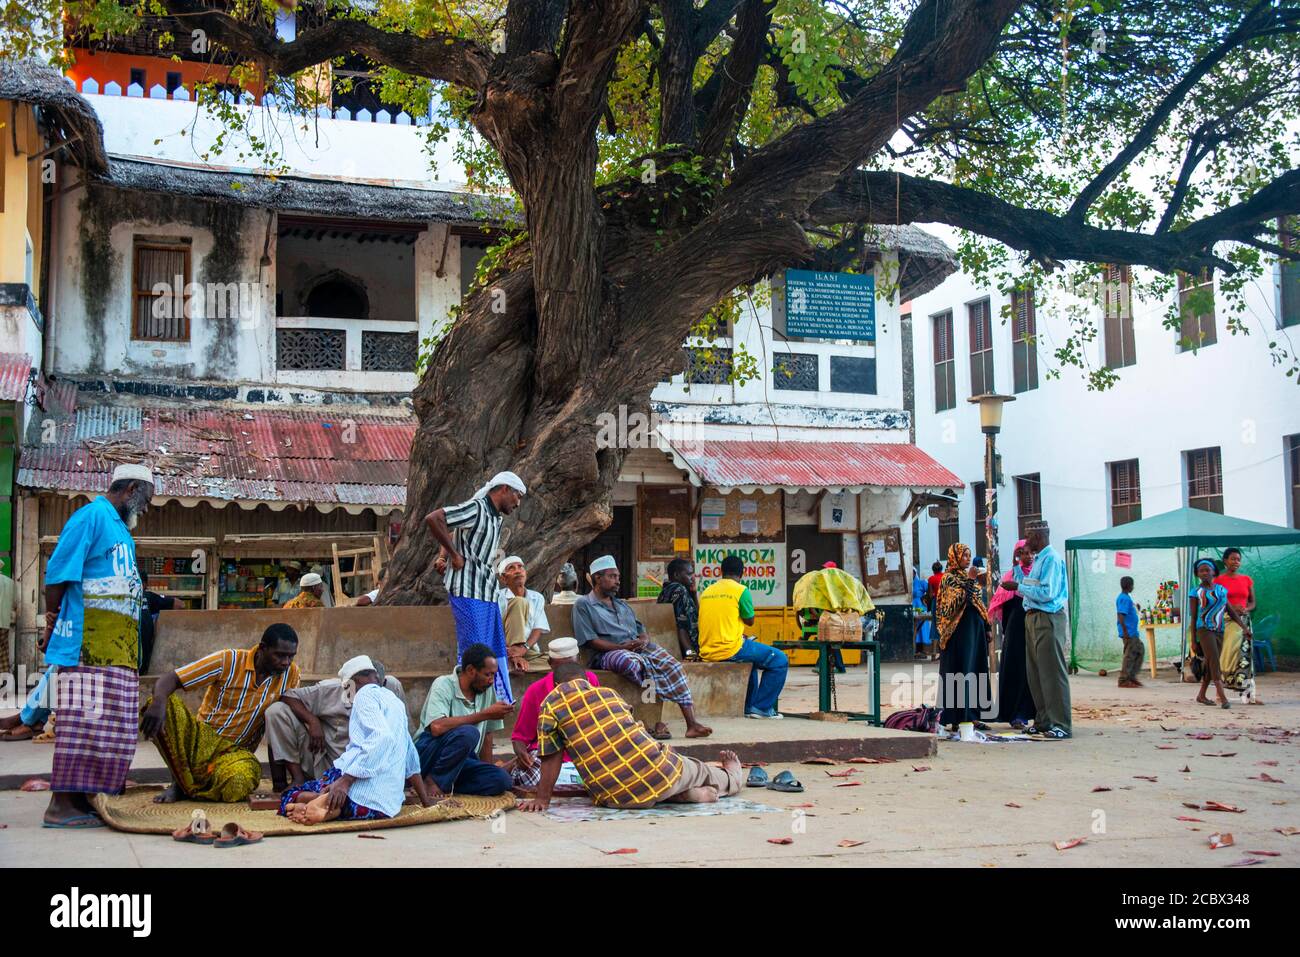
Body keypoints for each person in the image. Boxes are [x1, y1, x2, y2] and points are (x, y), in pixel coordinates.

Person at [36, 463, 150, 828]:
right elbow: (58, 574)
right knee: (83, 725)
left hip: (117, 651)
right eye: (146, 499)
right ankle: (60, 807)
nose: (147, 508)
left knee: (111, 729)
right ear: (131, 489)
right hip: (89, 647)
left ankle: (87, 797)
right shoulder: (91, 516)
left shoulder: (120, 529)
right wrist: (51, 621)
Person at [519, 662, 743, 812]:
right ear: (585, 680)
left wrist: (542, 800)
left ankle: (682, 795)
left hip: (615, 798)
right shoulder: (608, 694)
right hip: (659, 772)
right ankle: (732, 778)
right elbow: (631, 729)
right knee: (698, 769)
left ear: (557, 685)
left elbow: (551, 757)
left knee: (642, 782)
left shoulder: (549, 704)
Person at [140, 623, 301, 803]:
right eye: (279, 655)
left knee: (238, 783)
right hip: (199, 742)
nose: (286, 662)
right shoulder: (227, 660)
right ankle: (179, 782)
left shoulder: (291, 674)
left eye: (290, 657)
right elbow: (172, 679)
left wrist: (279, 783)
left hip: (234, 755)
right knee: (162, 704)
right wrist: (159, 702)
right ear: (262, 648)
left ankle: (190, 788)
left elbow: (279, 722)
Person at [573, 555, 711, 740]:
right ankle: (651, 715)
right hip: (608, 653)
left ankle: (692, 724)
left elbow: (640, 629)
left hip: (640, 648)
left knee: (673, 665)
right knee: (632, 663)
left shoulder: (621, 604)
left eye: (618, 577)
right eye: (612, 576)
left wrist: (644, 640)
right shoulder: (583, 604)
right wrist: (622, 646)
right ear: (598, 578)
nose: (617, 581)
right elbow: (590, 640)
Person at [279, 656, 431, 824]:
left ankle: (322, 799)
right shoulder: (395, 702)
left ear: (354, 681)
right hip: (384, 808)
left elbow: (381, 737)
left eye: (346, 688)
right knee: (336, 788)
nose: (346, 694)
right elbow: (410, 757)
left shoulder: (364, 694)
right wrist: (426, 802)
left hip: (357, 797)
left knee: (289, 796)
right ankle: (329, 805)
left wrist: (345, 781)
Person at [425, 470, 527, 703]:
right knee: (474, 651)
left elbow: (452, 528)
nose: (518, 503)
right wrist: (452, 555)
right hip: (468, 591)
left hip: (487, 592)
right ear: (504, 490)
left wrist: (443, 556)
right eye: (517, 496)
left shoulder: (496, 518)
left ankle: (494, 703)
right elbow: (435, 518)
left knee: (493, 650)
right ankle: (467, 703)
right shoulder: (477, 508)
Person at [265, 660, 406, 789]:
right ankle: (298, 779)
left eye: (374, 686)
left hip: (375, 770)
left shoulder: (391, 690)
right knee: (276, 711)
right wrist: (312, 721)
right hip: (328, 765)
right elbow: (288, 696)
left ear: (381, 683)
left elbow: (403, 737)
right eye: (360, 685)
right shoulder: (333, 689)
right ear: (351, 683)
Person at [412, 642, 514, 797]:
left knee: (502, 780)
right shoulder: (443, 684)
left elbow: (487, 734)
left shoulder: (487, 689)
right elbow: (437, 727)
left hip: (459, 761)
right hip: (428, 755)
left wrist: (484, 768)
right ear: (471, 670)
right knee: (468, 733)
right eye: (487, 674)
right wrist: (484, 714)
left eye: (494, 675)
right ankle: (431, 782)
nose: (491, 680)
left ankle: (446, 782)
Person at [1000, 523, 1071, 739]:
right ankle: (1043, 720)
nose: (1026, 540)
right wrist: (1019, 571)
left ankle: (1061, 724)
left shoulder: (1051, 559)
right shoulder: (1039, 558)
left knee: (1052, 673)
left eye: (1029, 536)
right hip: (1032, 617)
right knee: (1036, 674)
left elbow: (1047, 592)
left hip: (1047, 617)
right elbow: (1030, 583)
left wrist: (1018, 588)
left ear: (1040, 536)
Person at [698, 554, 788, 719]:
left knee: (752, 659)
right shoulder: (741, 590)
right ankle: (762, 708)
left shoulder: (707, 591)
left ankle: (749, 708)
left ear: (720, 571)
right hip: (730, 649)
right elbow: (750, 620)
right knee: (780, 660)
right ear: (742, 573)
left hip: (706, 650)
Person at [508, 637, 599, 789]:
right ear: (550, 664)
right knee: (530, 780)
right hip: (548, 753)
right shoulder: (536, 690)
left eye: (571, 666)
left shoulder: (590, 681)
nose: (567, 674)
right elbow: (520, 737)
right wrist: (521, 754)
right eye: (560, 669)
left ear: (579, 661)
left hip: (583, 750)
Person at [933, 543, 992, 731]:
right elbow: (953, 604)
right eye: (964, 556)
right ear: (955, 557)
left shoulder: (967, 578)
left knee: (975, 670)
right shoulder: (948, 579)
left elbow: (978, 602)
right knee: (960, 672)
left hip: (975, 631)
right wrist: (971, 580)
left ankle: (973, 715)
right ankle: (957, 717)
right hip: (958, 633)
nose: (967, 559)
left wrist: (987, 626)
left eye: (969, 555)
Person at [1190, 558, 1251, 710]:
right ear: (1197, 574)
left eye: (1207, 570)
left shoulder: (1221, 590)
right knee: (1215, 660)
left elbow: (1229, 610)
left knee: (1211, 662)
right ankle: (1222, 696)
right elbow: (1193, 617)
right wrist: (1193, 640)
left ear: (1213, 572)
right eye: (1201, 570)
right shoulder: (1195, 592)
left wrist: (1244, 627)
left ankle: (1201, 695)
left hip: (1219, 630)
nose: (1204, 573)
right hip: (1204, 629)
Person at [989, 541, 1036, 727]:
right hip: (1016, 632)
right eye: (1023, 553)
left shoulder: (1037, 574)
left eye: (1030, 552)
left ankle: (1034, 713)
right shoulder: (1010, 576)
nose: (1028, 556)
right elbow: (1000, 606)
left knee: (1033, 671)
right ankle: (1016, 714)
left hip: (1034, 628)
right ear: (1017, 555)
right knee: (1016, 670)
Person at [1214, 547, 1259, 703]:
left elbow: (1253, 602)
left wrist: (1246, 608)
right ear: (1225, 561)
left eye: (1238, 559)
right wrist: (1232, 608)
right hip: (1227, 621)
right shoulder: (1218, 581)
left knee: (1246, 658)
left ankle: (1249, 695)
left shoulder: (1246, 579)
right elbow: (1217, 602)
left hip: (1244, 622)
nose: (1236, 562)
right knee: (1226, 657)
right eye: (1232, 559)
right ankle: (1220, 694)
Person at [495, 555, 551, 672]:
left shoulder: (537, 597)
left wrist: (524, 649)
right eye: (511, 568)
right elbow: (494, 629)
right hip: (503, 649)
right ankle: (513, 660)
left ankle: (513, 665)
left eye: (520, 567)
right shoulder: (496, 597)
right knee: (519, 602)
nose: (517, 571)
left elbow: (538, 628)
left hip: (527, 650)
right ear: (504, 579)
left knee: (556, 662)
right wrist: (514, 653)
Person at [656, 558, 700, 659]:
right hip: (685, 650)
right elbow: (681, 626)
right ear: (676, 575)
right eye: (689, 574)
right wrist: (691, 654)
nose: (692, 578)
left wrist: (693, 594)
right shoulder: (679, 590)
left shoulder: (667, 590)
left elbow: (696, 615)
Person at [138, 572, 179, 674]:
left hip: (141, 645)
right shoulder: (146, 596)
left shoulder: (148, 597)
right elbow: (179, 604)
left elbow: (178, 604)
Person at [1115, 575, 1144, 688]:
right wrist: (1125, 631)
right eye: (1132, 585)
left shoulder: (1126, 597)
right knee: (1130, 655)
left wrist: (1136, 607)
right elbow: (1121, 615)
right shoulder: (1123, 598)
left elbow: (1128, 610)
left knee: (1139, 650)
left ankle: (1131, 676)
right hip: (1129, 633)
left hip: (1132, 632)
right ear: (1129, 586)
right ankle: (1123, 680)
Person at [911, 568, 934, 659]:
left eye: (913, 573)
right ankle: (915, 650)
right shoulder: (909, 584)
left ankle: (924, 650)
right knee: (914, 628)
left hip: (920, 608)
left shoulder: (921, 582)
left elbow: (930, 591)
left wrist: (925, 600)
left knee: (922, 628)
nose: (911, 574)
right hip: (912, 608)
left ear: (915, 573)